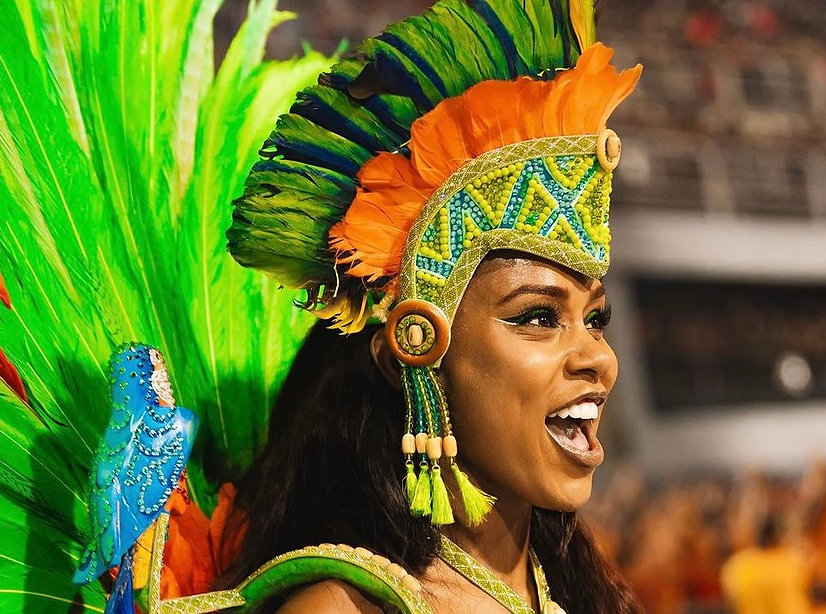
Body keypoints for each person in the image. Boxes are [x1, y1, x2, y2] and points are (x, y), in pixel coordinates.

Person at [0, 0, 643, 612]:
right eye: (537, 317)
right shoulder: (341, 607)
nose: (599, 360)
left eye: (596, 319)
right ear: (416, 348)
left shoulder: (572, 589)